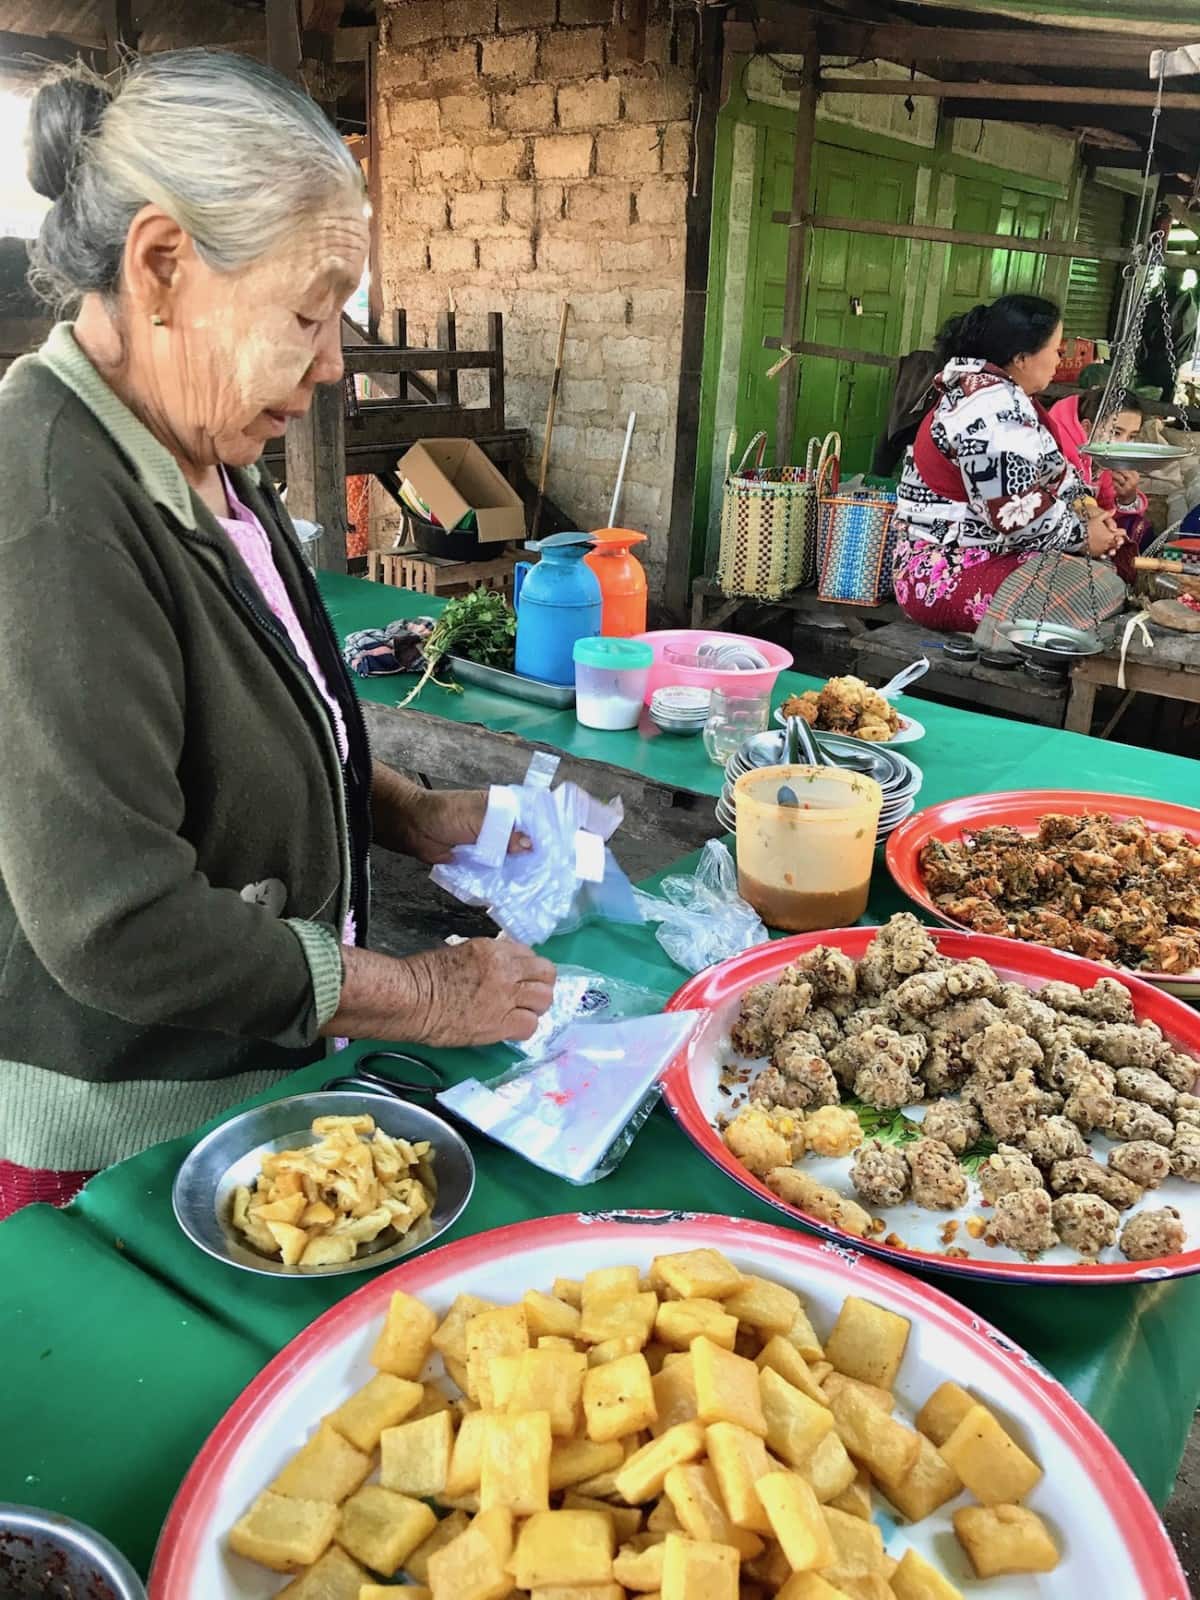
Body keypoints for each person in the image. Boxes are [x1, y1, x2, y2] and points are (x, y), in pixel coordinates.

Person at [0, 53, 556, 1218]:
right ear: (161, 266)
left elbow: (257, 719)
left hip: (250, 1082)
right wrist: (419, 991)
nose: (332, 361)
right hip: (122, 1144)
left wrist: (404, 812)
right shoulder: (47, 502)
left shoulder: (201, 450)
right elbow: (118, 919)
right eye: (305, 314)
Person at [892, 294, 1127, 638]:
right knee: (1101, 586)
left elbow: (1057, 474)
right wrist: (1081, 537)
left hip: (981, 554)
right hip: (938, 573)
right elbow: (1013, 513)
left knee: (1100, 573)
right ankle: (1001, 648)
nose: (1061, 359)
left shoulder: (1009, 400)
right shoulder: (989, 409)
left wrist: (1089, 511)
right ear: (1021, 358)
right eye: (1056, 349)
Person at [1047, 386, 1153, 555]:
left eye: (1131, 436)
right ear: (1087, 428)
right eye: (1116, 433)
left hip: (1091, 524)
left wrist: (1127, 497)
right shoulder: (1055, 447)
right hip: (1055, 530)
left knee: (1139, 527)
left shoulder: (1104, 462)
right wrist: (1094, 515)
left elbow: (1109, 506)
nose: (1124, 444)